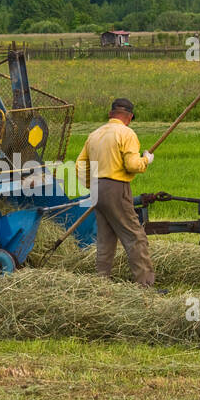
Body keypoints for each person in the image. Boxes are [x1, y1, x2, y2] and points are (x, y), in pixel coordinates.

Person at [75, 98, 156, 287]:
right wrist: (145, 160)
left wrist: (92, 185)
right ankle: (145, 285)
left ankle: (101, 285)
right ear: (129, 117)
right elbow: (132, 165)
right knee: (135, 236)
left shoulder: (94, 135)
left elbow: (79, 165)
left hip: (97, 189)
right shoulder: (126, 133)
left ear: (111, 115)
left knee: (105, 239)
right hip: (116, 188)